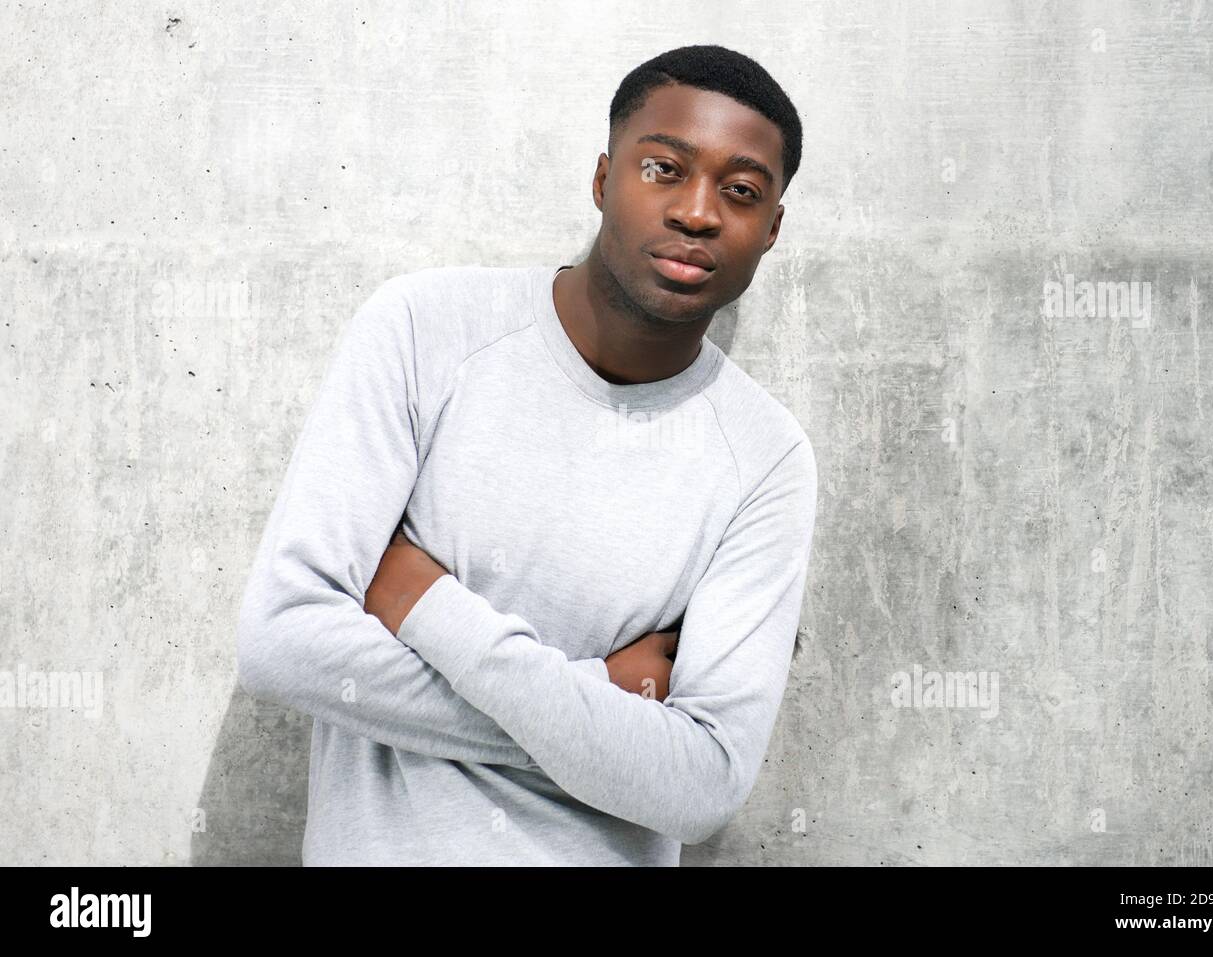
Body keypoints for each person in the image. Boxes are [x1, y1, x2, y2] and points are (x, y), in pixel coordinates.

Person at [236, 43, 818, 866]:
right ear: (602, 179)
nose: (697, 211)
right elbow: (282, 644)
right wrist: (598, 695)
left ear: (772, 230)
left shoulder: (765, 459)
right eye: (663, 169)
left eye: (741, 191)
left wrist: (423, 601)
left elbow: (701, 785)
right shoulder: (421, 331)